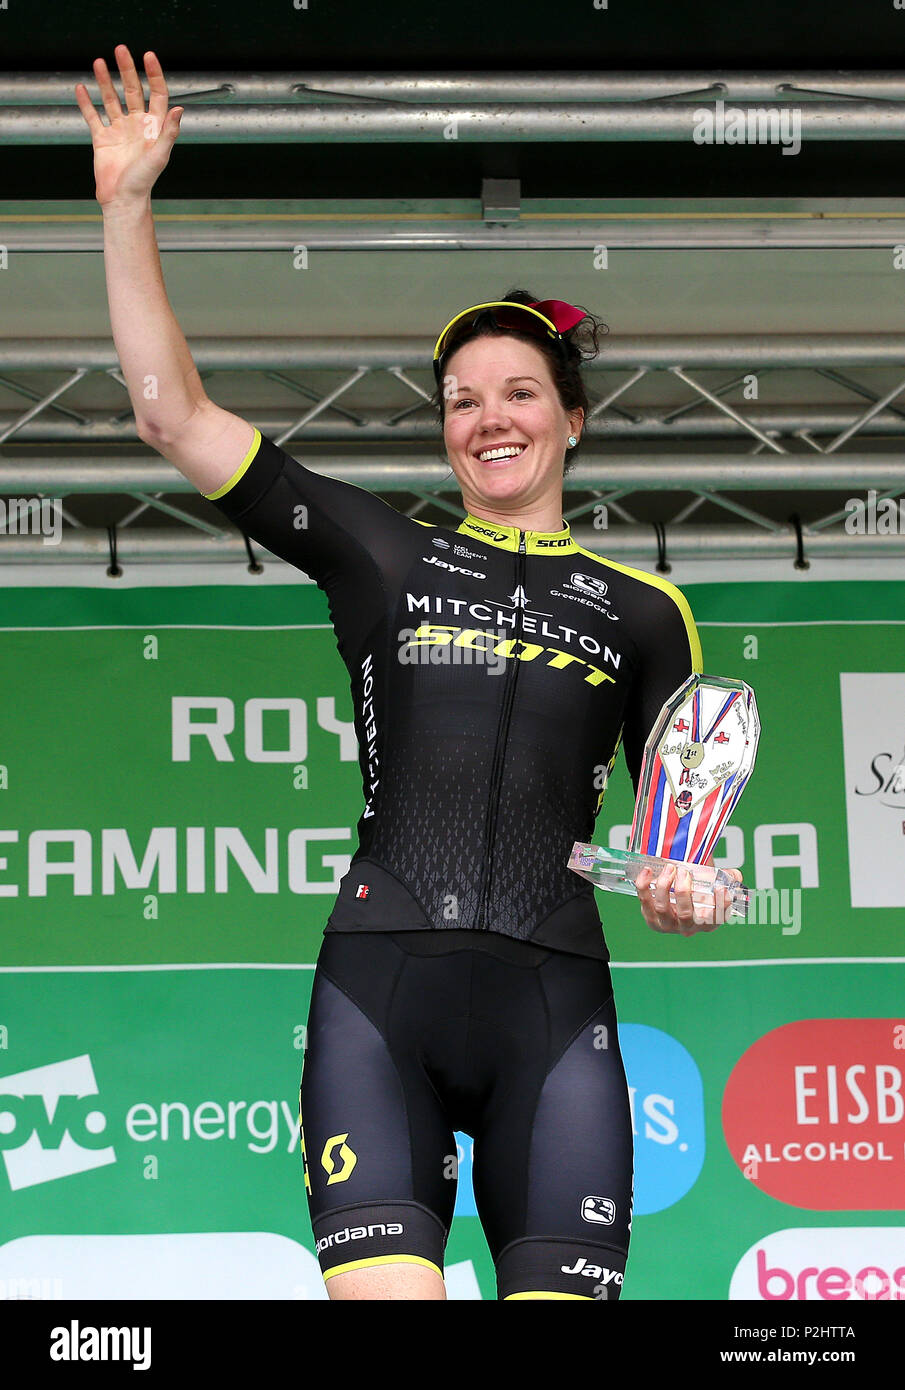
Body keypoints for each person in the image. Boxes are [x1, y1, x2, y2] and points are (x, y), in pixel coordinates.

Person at [78, 46, 740, 1302]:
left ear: (571, 417)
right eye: (458, 400)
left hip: (556, 1017)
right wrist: (125, 205)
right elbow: (171, 416)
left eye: (517, 392)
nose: (487, 417)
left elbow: (677, 851)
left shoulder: (649, 612)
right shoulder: (383, 554)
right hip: (379, 1000)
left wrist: (683, 886)